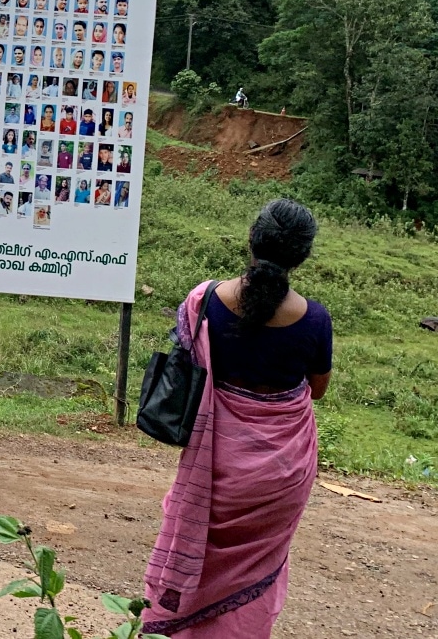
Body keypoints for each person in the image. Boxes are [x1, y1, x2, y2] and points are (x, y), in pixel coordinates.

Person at [143, 199, 331, 637]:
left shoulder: (203, 300)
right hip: (281, 475)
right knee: (253, 577)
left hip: (214, 464)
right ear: (302, 256)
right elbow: (316, 388)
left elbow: (188, 366)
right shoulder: (316, 319)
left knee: (197, 554)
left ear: (251, 239)